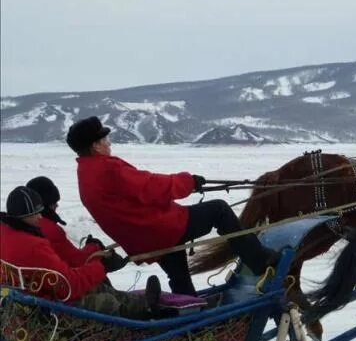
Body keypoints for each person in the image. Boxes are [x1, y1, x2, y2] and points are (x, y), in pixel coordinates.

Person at [66, 116, 279, 296]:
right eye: (105, 139)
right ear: (95, 146)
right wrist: (188, 182)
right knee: (219, 210)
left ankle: (190, 316)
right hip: (159, 229)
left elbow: (131, 198)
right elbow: (149, 185)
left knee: (178, 274)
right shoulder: (108, 168)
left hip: (144, 238)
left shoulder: (85, 173)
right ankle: (258, 259)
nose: (109, 144)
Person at [0, 186, 161, 319]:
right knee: (105, 300)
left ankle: (143, 303)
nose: (40, 217)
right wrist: (101, 265)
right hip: (45, 306)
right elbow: (69, 285)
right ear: (25, 216)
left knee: (94, 287)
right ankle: (139, 321)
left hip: (26, 296)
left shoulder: (6, 233)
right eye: (36, 213)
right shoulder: (33, 244)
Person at [26, 176, 104, 266]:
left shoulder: (15, 226)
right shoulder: (50, 230)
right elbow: (76, 260)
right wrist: (94, 247)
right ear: (44, 205)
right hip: (50, 278)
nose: (57, 205)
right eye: (53, 202)